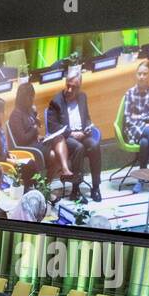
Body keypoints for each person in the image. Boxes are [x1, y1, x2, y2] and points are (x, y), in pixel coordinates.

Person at [45, 67, 102, 201]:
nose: (70, 90)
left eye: (74, 87)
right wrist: (71, 133)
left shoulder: (82, 97)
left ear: (79, 87)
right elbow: (53, 126)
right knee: (79, 148)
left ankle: (96, 187)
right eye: (68, 86)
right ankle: (75, 190)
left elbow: (86, 117)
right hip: (65, 139)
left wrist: (88, 126)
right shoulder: (56, 101)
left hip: (83, 134)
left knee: (94, 146)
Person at [121, 59, 149, 193]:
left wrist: (138, 118)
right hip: (131, 130)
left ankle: (140, 180)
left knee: (145, 142)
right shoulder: (129, 93)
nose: (141, 77)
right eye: (139, 74)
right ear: (136, 74)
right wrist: (142, 120)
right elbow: (127, 118)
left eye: (145, 74)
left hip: (145, 131)